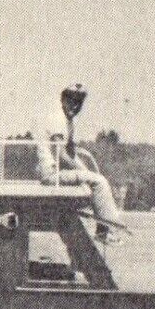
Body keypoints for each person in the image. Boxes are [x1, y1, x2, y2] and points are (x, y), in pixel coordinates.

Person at [34, 82, 125, 241]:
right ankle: (106, 231)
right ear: (63, 100)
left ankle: (104, 225)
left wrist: (87, 172)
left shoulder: (67, 121)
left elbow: (71, 153)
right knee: (99, 182)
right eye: (71, 100)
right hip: (51, 174)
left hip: (57, 172)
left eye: (79, 102)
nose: (75, 106)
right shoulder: (57, 119)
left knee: (97, 180)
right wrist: (86, 173)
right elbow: (61, 155)